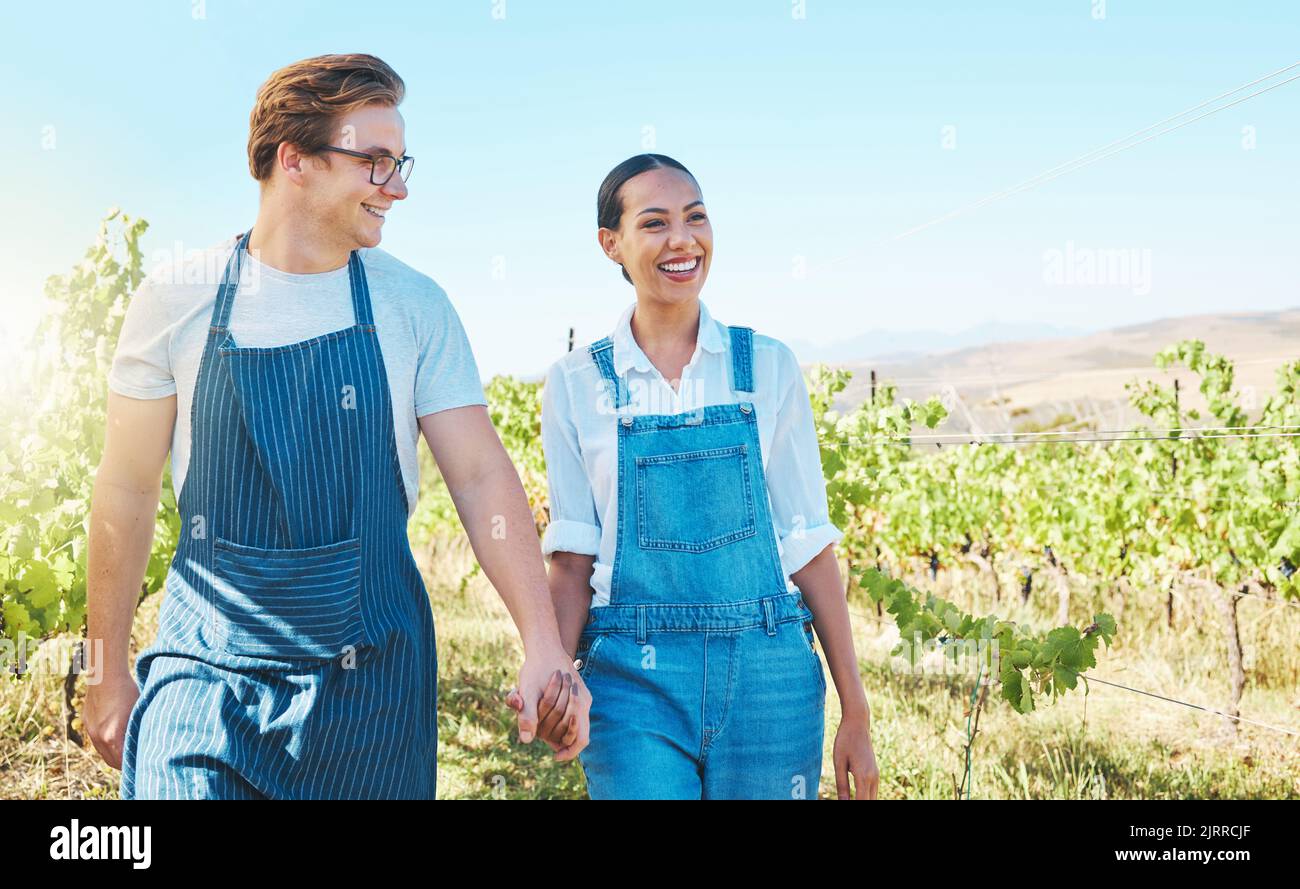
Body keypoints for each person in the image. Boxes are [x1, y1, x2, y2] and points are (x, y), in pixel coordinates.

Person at [83, 53, 586, 799]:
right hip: (206, 676)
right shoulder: (176, 300)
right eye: (375, 162)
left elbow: (481, 478)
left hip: (373, 691)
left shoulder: (413, 306)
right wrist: (103, 670)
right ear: (295, 160)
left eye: (400, 163)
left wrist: (543, 641)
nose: (398, 186)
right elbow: (125, 489)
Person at [534, 153, 879, 799]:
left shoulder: (767, 367)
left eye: (695, 217)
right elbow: (573, 558)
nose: (682, 240)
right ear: (611, 243)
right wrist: (557, 675)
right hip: (631, 679)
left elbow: (809, 546)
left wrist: (855, 710)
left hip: (770, 674)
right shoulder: (576, 383)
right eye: (654, 223)